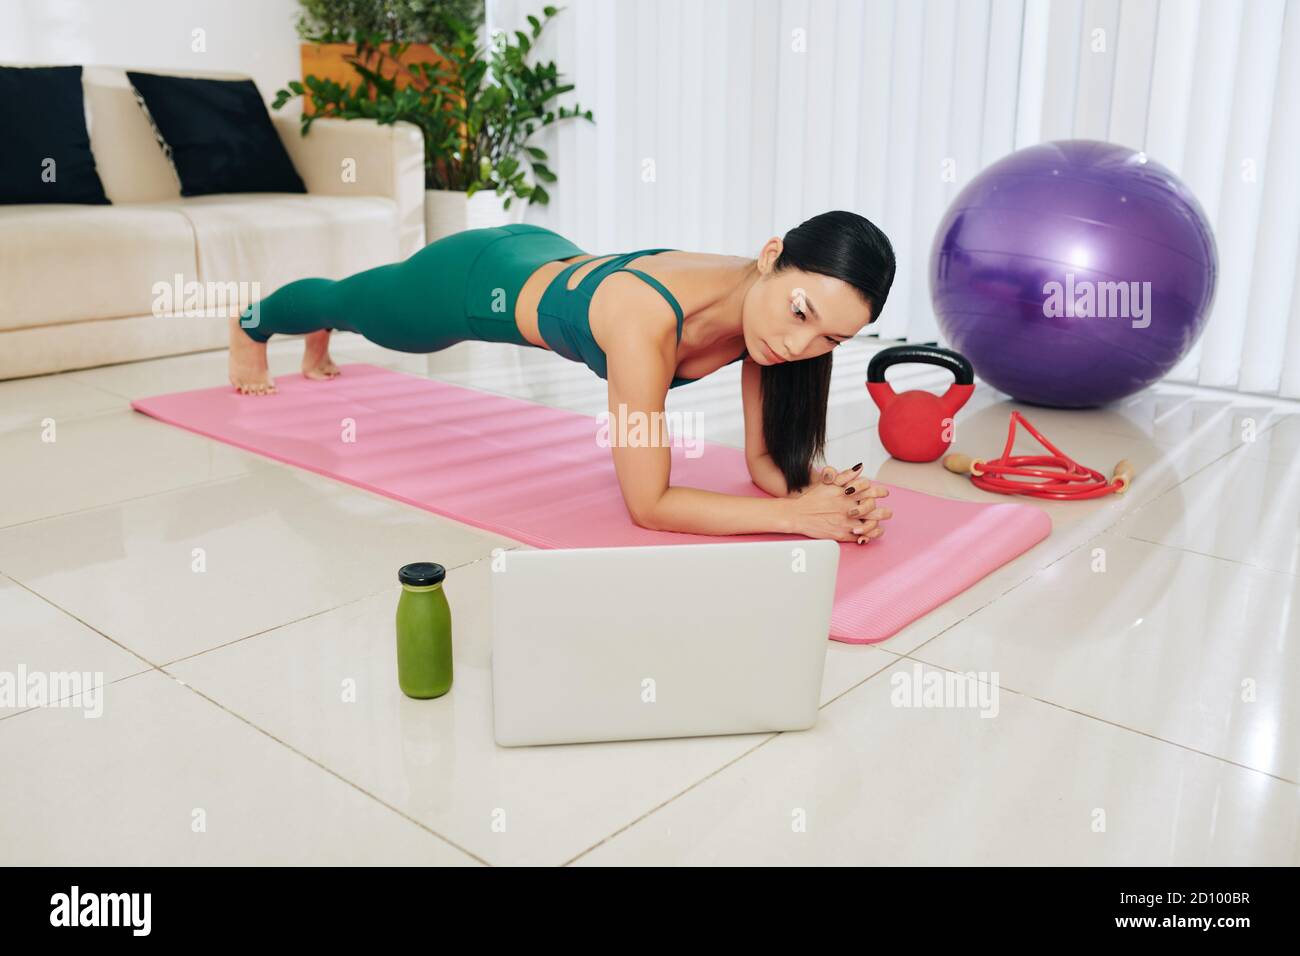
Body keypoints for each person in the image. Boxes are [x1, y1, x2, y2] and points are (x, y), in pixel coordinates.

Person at [227, 210, 896, 544]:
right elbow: (650, 504)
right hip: (471, 281)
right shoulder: (644, 322)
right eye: (801, 312)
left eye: (829, 339)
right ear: (772, 255)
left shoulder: (769, 329)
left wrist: (819, 486)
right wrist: (792, 518)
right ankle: (253, 323)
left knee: (351, 308)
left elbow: (760, 460)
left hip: (546, 256)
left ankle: (322, 328)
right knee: (356, 304)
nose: (798, 343)